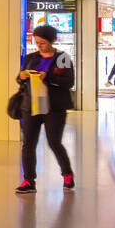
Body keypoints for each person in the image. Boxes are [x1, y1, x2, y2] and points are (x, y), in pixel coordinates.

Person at [15, 24, 75, 194]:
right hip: (32, 104)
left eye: (42, 43)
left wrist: (47, 77)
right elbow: (19, 79)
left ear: (51, 41)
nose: (38, 46)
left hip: (54, 106)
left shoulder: (62, 58)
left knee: (54, 142)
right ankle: (28, 180)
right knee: (28, 144)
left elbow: (68, 82)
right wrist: (22, 76)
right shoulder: (30, 58)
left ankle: (67, 174)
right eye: (37, 42)